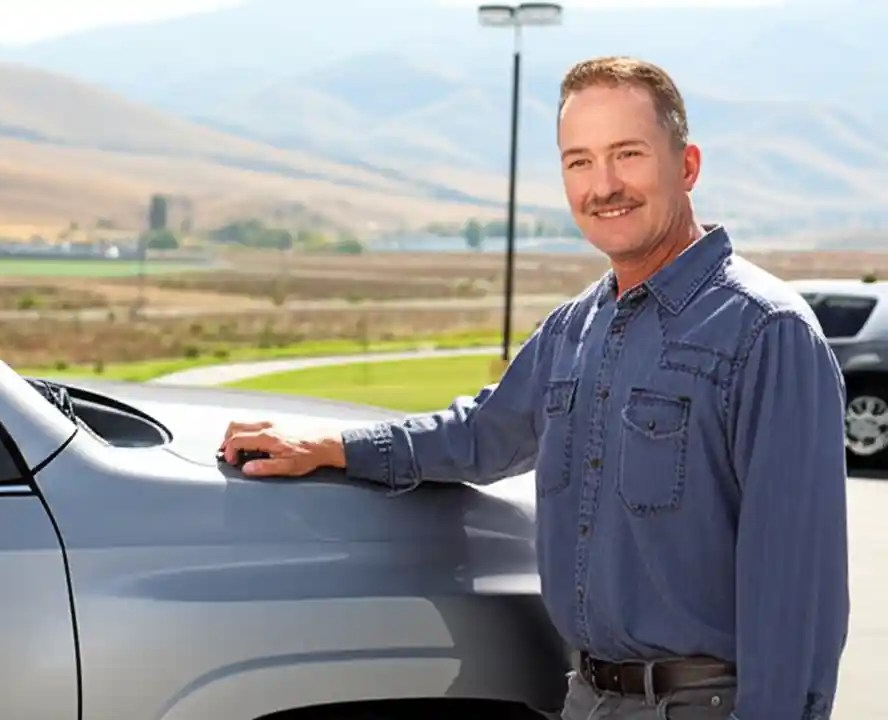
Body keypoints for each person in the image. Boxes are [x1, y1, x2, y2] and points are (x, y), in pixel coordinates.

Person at [219, 55, 849, 719]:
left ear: (686, 165)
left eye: (627, 154)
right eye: (579, 161)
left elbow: (797, 601)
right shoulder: (574, 328)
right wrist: (335, 446)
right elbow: (480, 435)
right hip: (585, 700)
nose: (603, 185)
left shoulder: (766, 332)